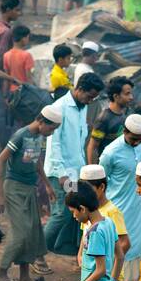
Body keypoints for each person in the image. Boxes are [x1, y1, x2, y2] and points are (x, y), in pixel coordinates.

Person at [0, 104, 59, 281]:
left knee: (31, 232)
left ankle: (24, 277)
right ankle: (1, 272)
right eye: (51, 128)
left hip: (29, 188)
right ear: (41, 121)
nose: (51, 132)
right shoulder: (20, 135)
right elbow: (0, 161)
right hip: (14, 188)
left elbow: (36, 161)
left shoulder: (39, 137)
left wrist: (47, 185)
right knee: (21, 233)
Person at [43, 74, 103, 256]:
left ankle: (64, 247)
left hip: (76, 171)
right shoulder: (59, 108)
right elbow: (54, 144)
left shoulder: (82, 107)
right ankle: (39, 251)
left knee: (74, 211)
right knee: (61, 212)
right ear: (80, 89)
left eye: (94, 98)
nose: (90, 100)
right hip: (60, 172)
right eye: (89, 96)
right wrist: (62, 174)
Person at [100, 114, 141, 281]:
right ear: (124, 131)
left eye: (140, 138)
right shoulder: (111, 152)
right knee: (123, 248)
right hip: (118, 208)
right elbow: (100, 182)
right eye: (133, 138)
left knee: (138, 246)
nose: (137, 142)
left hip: (138, 205)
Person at [87, 75, 131, 163]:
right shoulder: (104, 119)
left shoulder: (123, 115)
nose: (131, 97)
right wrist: (94, 172)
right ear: (116, 96)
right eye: (127, 94)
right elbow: (92, 147)